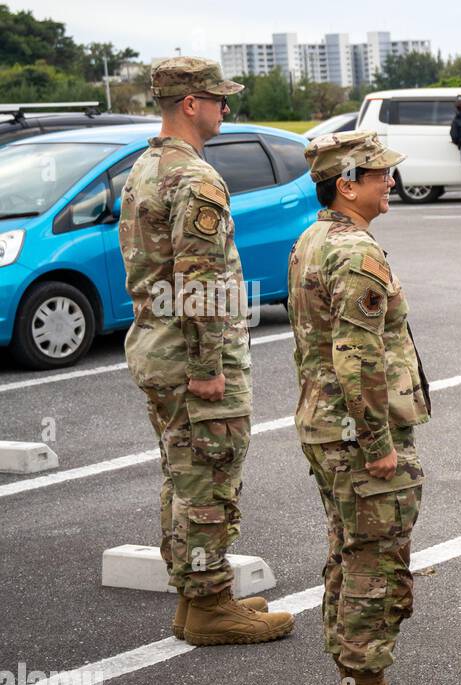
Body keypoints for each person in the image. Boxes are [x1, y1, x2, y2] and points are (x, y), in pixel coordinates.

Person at [120, 56, 293, 646]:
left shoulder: (144, 168)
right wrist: (207, 369)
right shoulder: (195, 179)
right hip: (188, 358)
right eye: (219, 100)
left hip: (156, 347)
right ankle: (211, 605)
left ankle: (197, 599)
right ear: (190, 104)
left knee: (183, 476)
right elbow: (197, 280)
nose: (226, 109)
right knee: (208, 481)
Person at [287, 130, 445, 685]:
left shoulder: (315, 238)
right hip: (358, 435)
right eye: (380, 174)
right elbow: (359, 359)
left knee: (349, 553)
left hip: (328, 428)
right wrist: (378, 445)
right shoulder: (355, 253)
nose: (391, 182)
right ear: (347, 184)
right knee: (375, 562)